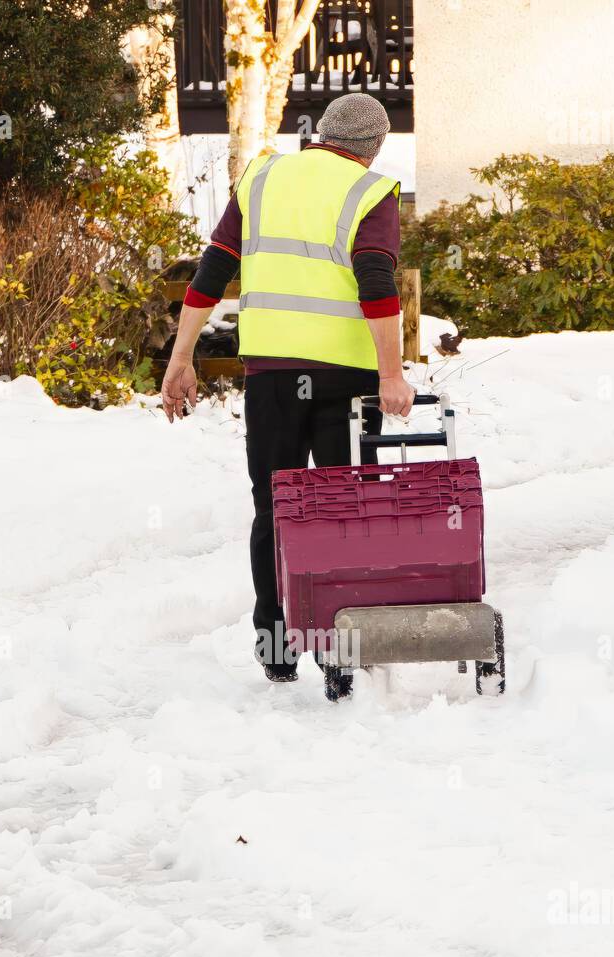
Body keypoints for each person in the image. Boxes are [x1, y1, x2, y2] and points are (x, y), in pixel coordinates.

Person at [161, 92, 416, 683]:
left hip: (273, 378)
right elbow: (376, 285)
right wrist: (392, 373)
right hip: (346, 382)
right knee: (340, 509)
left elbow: (213, 269)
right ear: (374, 146)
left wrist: (182, 357)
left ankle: (276, 645)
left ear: (319, 133)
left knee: (273, 504)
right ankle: (336, 649)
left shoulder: (263, 176)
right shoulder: (371, 192)